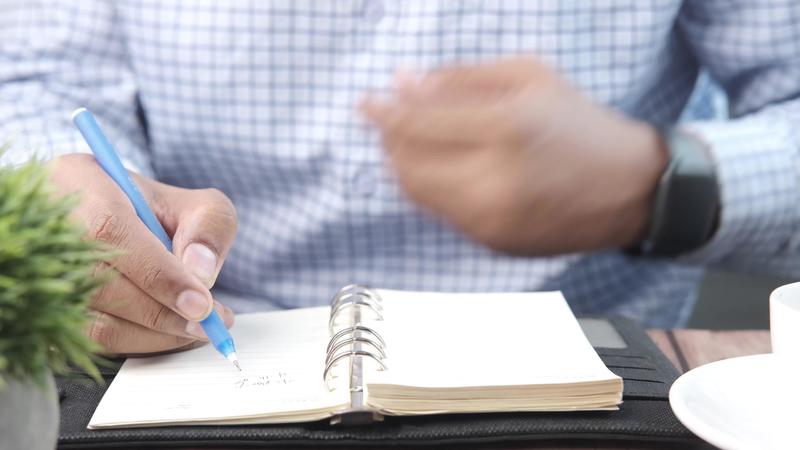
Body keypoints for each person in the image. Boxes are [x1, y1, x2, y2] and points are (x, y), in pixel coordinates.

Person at [1, 2, 798, 355]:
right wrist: (59, 193)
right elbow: (33, 78)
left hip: (602, 369)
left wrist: (662, 179)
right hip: (192, 355)